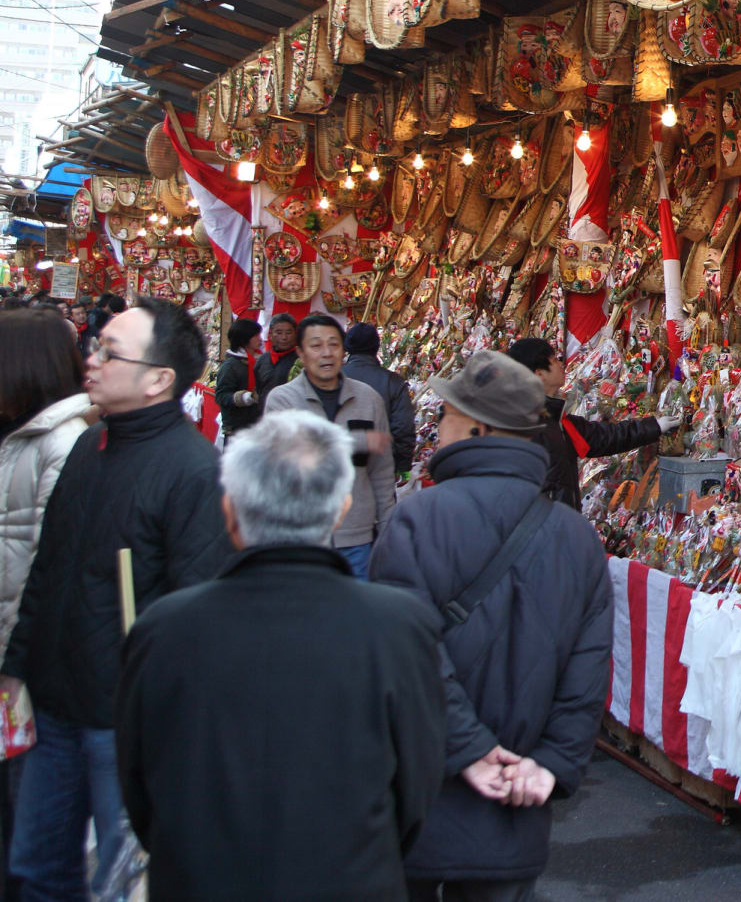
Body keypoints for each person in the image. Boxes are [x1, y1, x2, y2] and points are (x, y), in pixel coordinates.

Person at [115, 412, 444, 901]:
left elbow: (140, 785)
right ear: (340, 510)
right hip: (352, 878)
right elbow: (415, 789)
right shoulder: (398, 627)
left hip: (199, 879)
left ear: (229, 514)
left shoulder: (163, 629)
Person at [2, 298, 231, 901]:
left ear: (159, 379)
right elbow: (48, 567)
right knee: (37, 869)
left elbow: (197, 610)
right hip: (53, 706)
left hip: (123, 722)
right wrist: (17, 666)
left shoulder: (192, 471)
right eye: (95, 345)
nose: (91, 360)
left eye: (109, 351)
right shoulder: (89, 445)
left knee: (122, 880)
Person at [371, 350, 611, 901]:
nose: (436, 426)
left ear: (477, 429)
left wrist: (471, 749)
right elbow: (589, 666)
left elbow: (405, 654)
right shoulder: (575, 536)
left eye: (446, 415)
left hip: (418, 791)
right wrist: (551, 764)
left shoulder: (417, 518)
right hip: (517, 799)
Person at [0, 311, 93, 886]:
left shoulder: (62, 442)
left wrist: (16, 659)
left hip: (22, 663)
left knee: (21, 818)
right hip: (13, 652)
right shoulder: (18, 436)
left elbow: (49, 559)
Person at [264, 314, 395, 580]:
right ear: (301, 352)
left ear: (344, 350)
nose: (326, 353)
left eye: (334, 345)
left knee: (355, 616)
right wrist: (356, 441)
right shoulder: (283, 400)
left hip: (357, 537)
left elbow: (381, 473)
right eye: (316, 346)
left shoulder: (368, 399)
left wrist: (388, 528)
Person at [503, 338, 676, 508]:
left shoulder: (558, 422)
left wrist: (656, 426)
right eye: (554, 360)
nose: (561, 364)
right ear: (539, 374)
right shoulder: (530, 428)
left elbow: (604, 436)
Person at [345, 323, 418, 480]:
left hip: (337, 464)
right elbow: (403, 429)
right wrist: (403, 468)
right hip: (378, 467)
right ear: (376, 347)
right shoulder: (392, 382)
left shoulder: (332, 378)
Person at [214, 318, 265, 442]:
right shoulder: (230, 366)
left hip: (257, 427)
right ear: (244, 339)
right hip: (237, 430)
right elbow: (221, 396)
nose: (260, 338)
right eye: (255, 335)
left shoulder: (260, 361)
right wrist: (244, 397)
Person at [251, 312, 301, 407]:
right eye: (279, 333)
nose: (284, 337)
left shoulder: (302, 360)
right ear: (270, 334)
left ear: (295, 334)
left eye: (288, 333)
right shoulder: (262, 360)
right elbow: (258, 390)